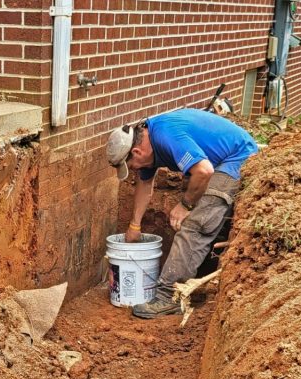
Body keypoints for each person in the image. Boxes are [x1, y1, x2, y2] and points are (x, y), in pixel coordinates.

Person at [106, 108, 258, 319]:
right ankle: (196, 281)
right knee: (206, 218)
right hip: (218, 161)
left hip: (238, 157)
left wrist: (185, 205)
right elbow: (144, 183)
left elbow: (204, 171)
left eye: (131, 166)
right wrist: (134, 225)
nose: (133, 170)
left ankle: (169, 297)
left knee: (196, 225)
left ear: (136, 153)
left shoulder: (168, 136)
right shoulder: (147, 143)